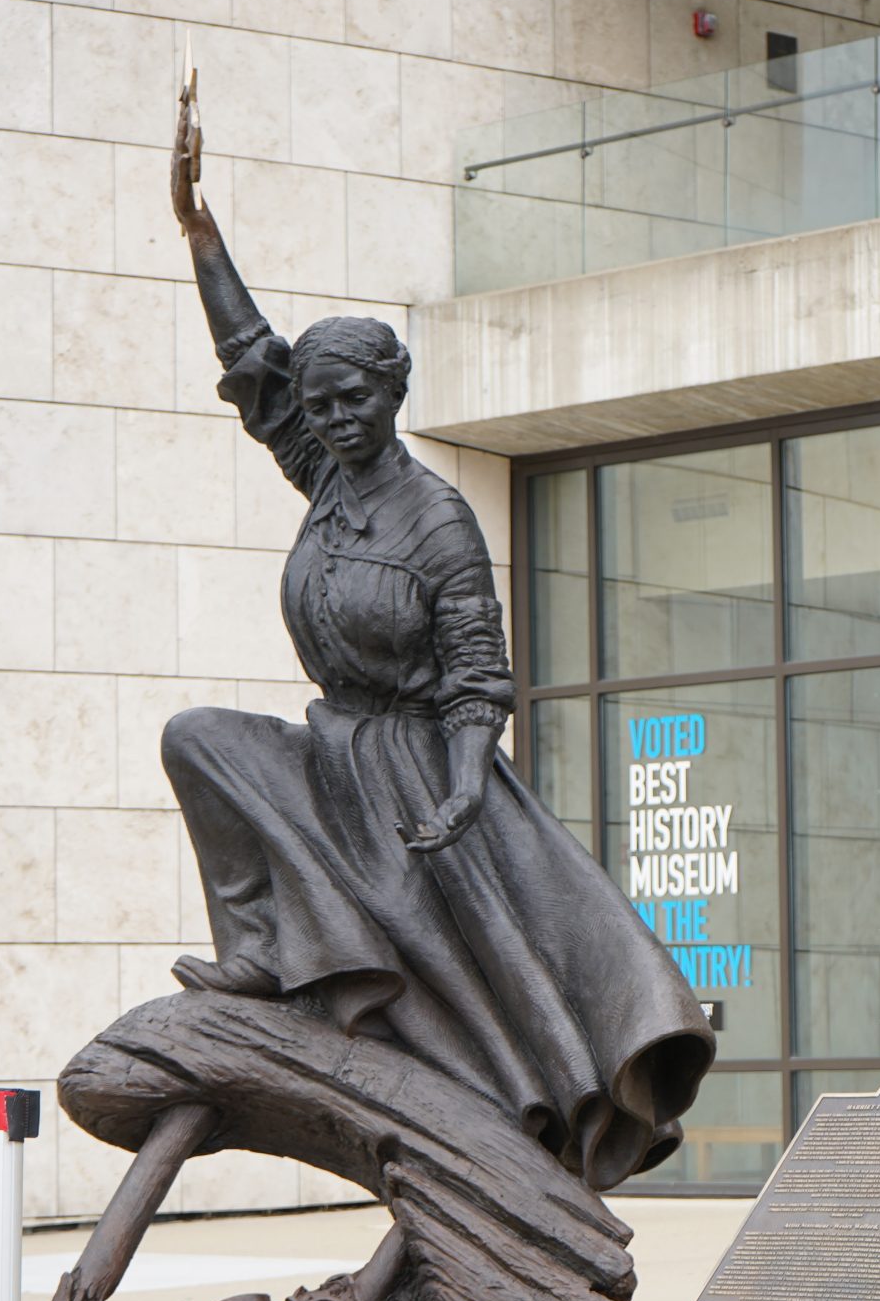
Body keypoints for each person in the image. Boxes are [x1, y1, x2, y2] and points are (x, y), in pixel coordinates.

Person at [160, 88, 713, 1190]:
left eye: (350, 401)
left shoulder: (438, 521)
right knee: (199, 737)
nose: (331, 419)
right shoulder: (324, 470)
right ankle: (260, 951)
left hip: (418, 772)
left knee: (461, 1009)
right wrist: (198, 229)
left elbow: (476, 681)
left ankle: (498, 1144)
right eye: (319, 405)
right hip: (336, 747)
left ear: (391, 394)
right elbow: (253, 362)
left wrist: (464, 789)